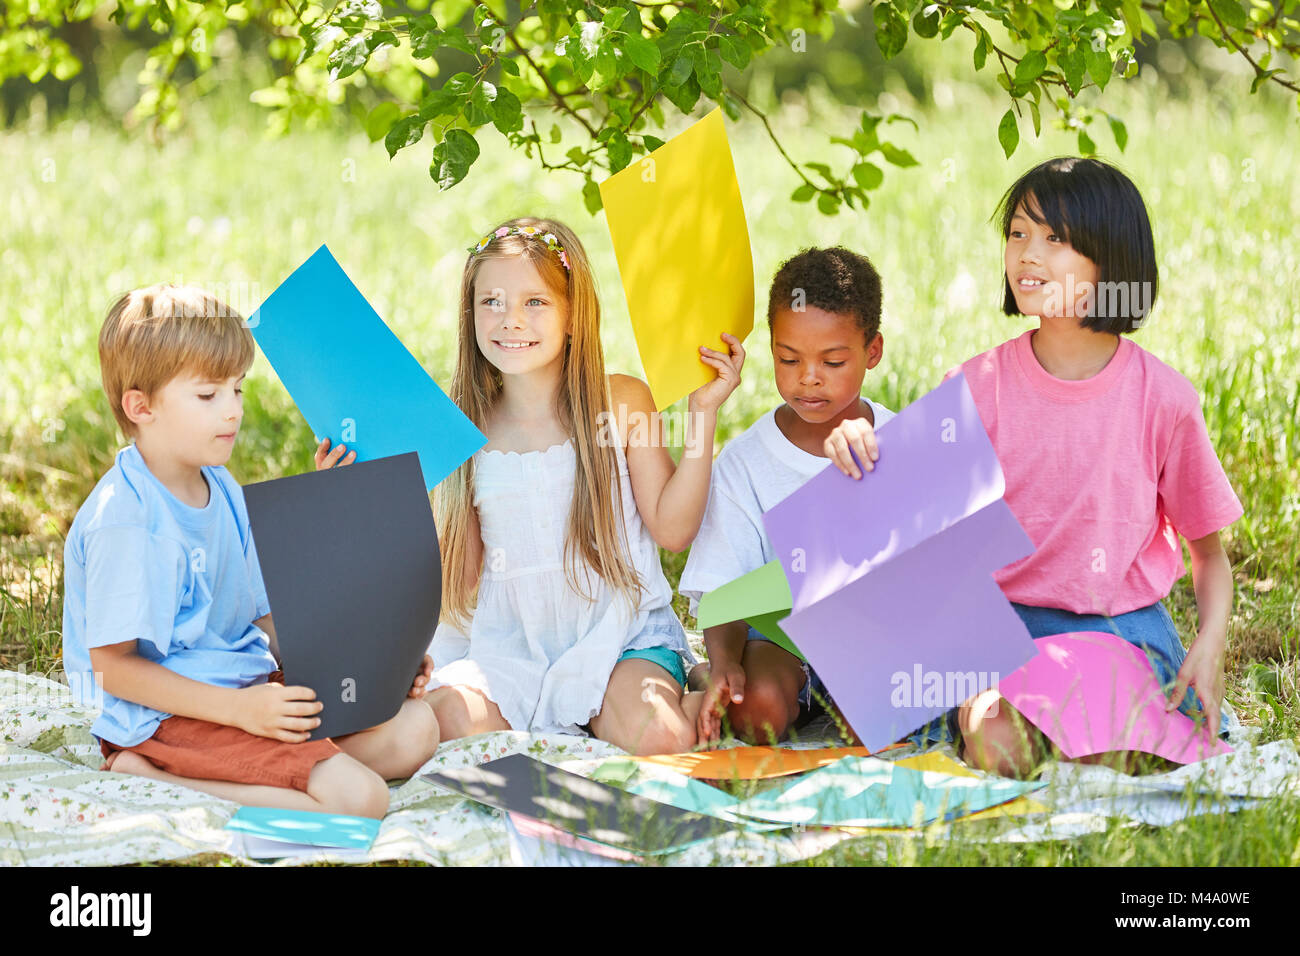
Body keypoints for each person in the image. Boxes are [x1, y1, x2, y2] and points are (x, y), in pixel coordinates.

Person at [824, 158, 1242, 776]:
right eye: (1018, 234)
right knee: (997, 747)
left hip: (1115, 632)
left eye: (1055, 239)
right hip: (999, 631)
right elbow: (906, 517)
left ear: (1112, 259)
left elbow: (1210, 555)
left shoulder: (1164, 398)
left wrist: (1210, 643)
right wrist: (859, 440)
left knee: (1117, 753)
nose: (1028, 254)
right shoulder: (976, 386)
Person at [319, 217, 744, 754]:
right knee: (438, 724)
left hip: (621, 639)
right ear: (469, 314)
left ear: (574, 316)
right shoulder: (462, 428)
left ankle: (674, 687)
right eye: (490, 301)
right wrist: (363, 500)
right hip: (509, 648)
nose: (509, 320)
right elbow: (458, 577)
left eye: (535, 303)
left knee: (661, 737)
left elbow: (675, 529)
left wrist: (702, 413)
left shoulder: (621, 403)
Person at [64, 284, 438, 818]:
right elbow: (113, 670)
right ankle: (145, 777)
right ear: (140, 406)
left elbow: (266, 625)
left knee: (415, 729)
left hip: (244, 688)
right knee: (362, 801)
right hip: (167, 717)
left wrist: (372, 665)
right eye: (208, 395)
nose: (233, 411)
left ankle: (293, 773)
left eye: (237, 389)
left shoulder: (221, 487)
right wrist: (240, 711)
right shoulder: (125, 519)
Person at [678, 247, 896, 745]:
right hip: (779, 641)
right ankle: (711, 678)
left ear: (873, 351)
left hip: (870, 635)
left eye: (833, 361)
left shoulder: (899, 442)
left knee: (877, 714)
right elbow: (722, 587)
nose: (808, 378)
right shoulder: (744, 463)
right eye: (788, 359)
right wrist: (726, 662)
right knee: (756, 712)